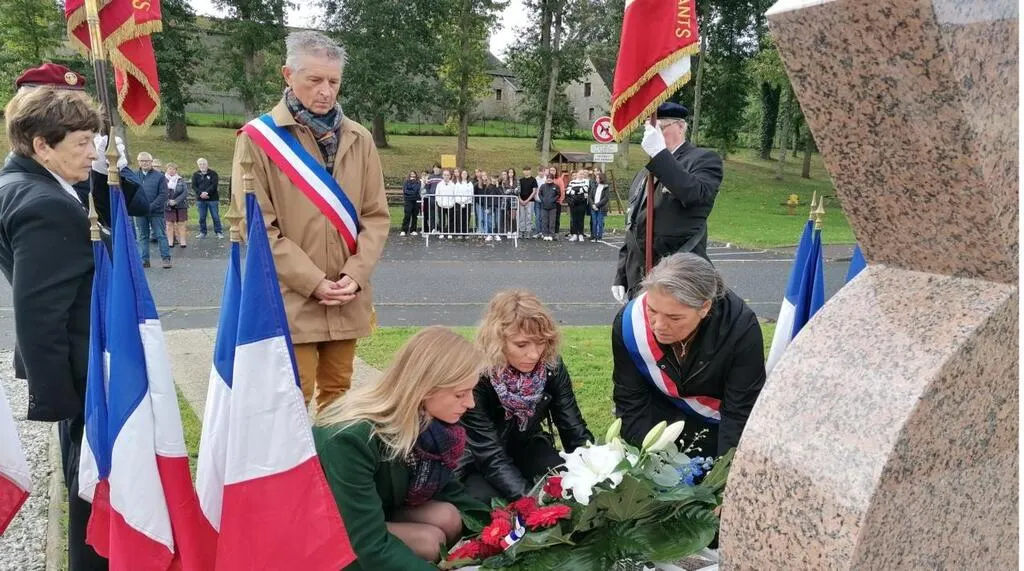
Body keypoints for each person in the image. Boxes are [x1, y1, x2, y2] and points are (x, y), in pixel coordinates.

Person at [232, 31, 390, 412]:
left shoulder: (360, 138)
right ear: (288, 74)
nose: (325, 91)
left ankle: (333, 471)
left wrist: (356, 273)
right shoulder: (258, 139)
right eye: (314, 80)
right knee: (292, 399)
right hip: (290, 298)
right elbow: (255, 226)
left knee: (340, 397)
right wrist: (314, 282)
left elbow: (376, 216)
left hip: (346, 293)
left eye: (333, 81)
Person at [0, 86, 109, 570]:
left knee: (86, 485)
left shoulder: (21, 183)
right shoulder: (47, 203)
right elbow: (37, 313)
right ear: (43, 144)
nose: (93, 151)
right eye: (83, 141)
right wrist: (62, 401)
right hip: (83, 371)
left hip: (76, 364)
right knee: (92, 490)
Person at [314, 326, 489, 569]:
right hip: (329, 534)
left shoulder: (427, 424)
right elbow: (369, 544)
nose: (470, 403)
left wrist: (507, 529)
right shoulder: (350, 438)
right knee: (430, 541)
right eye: (460, 394)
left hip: (377, 513)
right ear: (425, 388)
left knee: (448, 516)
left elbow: (450, 491)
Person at [612, 253, 765, 459]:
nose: (658, 325)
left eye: (674, 317)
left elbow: (740, 412)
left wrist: (722, 475)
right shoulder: (630, 323)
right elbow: (631, 400)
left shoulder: (741, 329)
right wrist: (646, 463)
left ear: (704, 307)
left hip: (715, 431)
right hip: (658, 427)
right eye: (652, 310)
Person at [459, 290, 593, 503]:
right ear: (497, 340)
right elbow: (490, 455)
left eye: (541, 342)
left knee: (564, 482)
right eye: (521, 344)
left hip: (527, 444)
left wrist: (595, 473)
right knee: (492, 504)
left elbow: (572, 428)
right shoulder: (477, 378)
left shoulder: (551, 367)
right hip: (477, 458)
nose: (534, 354)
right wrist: (531, 503)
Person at [5, 62, 144, 229]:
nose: (75, 113)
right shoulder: (29, 183)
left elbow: (138, 206)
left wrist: (103, 175)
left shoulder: (86, 153)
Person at [613, 102, 724, 302]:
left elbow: (695, 195)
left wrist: (660, 155)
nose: (652, 135)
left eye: (660, 128)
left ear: (681, 127)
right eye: (648, 129)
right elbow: (633, 225)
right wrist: (621, 274)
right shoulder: (645, 171)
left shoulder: (703, 160)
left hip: (679, 275)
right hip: (639, 277)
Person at [135, 151, 172, 269]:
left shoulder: (160, 177)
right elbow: (132, 194)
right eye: (142, 161)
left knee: (161, 235)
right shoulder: (134, 176)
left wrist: (150, 207)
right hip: (140, 212)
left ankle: (166, 259)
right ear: (139, 162)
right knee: (143, 236)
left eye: (147, 161)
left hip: (156, 212)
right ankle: (145, 260)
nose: (144, 163)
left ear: (151, 162)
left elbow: (163, 195)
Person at [191, 157, 223, 239]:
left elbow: (214, 185)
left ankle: (219, 232)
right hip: (200, 200)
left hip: (212, 199)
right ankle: (202, 232)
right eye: (200, 164)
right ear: (198, 165)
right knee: (202, 217)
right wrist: (201, 193)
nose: (202, 165)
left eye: (204, 164)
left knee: (215, 216)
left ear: (207, 164)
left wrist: (207, 192)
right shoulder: (195, 175)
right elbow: (194, 186)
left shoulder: (213, 174)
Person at [164, 162, 189, 247]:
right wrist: (168, 201)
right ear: (167, 170)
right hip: (167, 205)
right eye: (169, 169)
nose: (171, 171)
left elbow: (185, 192)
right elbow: (161, 192)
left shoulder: (181, 180)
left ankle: (183, 242)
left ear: (176, 170)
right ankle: (170, 242)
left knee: (181, 223)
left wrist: (176, 201)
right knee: (169, 224)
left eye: (173, 169)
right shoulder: (163, 180)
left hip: (180, 205)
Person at [565, 170, 590, 242]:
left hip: (582, 202)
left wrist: (574, 190)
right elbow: (568, 191)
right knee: (574, 218)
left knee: (581, 218)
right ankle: (575, 234)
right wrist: (578, 191)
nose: (581, 175)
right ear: (577, 175)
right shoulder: (572, 182)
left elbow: (585, 189)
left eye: (582, 174)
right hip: (574, 202)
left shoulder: (586, 181)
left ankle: (581, 234)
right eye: (580, 174)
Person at [537, 172, 560, 241]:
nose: (549, 180)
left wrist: (553, 200)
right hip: (544, 207)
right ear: (546, 179)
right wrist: (542, 200)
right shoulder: (543, 186)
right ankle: (545, 235)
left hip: (553, 207)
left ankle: (551, 235)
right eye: (548, 178)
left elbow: (558, 194)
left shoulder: (556, 186)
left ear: (553, 179)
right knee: (544, 221)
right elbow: (539, 194)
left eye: (551, 178)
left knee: (552, 222)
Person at [434, 169, 456, 239]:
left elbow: (455, 194)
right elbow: (437, 194)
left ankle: (450, 233)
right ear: (442, 176)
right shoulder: (439, 184)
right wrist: (439, 202)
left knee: (450, 219)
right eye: (445, 175)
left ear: (450, 176)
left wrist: (452, 203)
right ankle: (442, 232)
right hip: (441, 205)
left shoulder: (453, 184)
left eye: (447, 175)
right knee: (441, 220)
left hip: (450, 205)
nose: (446, 176)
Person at [589, 171, 610, 242]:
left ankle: (599, 237)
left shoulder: (606, 187)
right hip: (593, 207)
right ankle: (594, 237)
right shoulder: (594, 186)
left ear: (601, 178)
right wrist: (593, 205)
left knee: (600, 222)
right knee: (594, 222)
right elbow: (590, 197)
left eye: (598, 178)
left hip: (601, 207)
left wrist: (597, 205)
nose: (596, 179)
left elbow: (606, 198)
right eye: (596, 178)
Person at [517, 166, 538, 239]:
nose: (526, 172)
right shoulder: (520, 180)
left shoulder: (533, 180)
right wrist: (520, 200)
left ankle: (528, 232)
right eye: (525, 170)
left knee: (529, 217)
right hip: (521, 201)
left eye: (528, 170)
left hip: (530, 201)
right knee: (522, 217)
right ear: (523, 171)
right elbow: (518, 191)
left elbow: (534, 191)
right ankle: (521, 231)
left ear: (530, 171)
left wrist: (527, 200)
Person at [421, 164, 442, 234]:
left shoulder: (442, 177)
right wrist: (429, 193)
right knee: (432, 213)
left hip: (440, 198)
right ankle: (433, 228)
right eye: (435, 168)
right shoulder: (430, 177)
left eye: (437, 168)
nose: (436, 169)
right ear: (433, 169)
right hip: (432, 198)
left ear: (440, 169)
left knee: (439, 213)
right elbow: (427, 187)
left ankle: (439, 228)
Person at [454, 169, 474, 237]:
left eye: (465, 173)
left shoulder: (470, 183)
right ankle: (460, 233)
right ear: (461, 175)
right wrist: (461, 202)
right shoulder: (458, 183)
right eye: (463, 174)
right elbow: (455, 193)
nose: (464, 175)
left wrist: (464, 201)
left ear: (467, 175)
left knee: (466, 218)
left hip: (467, 203)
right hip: (459, 203)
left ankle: (466, 233)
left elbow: (471, 194)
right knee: (459, 218)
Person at [400, 171, 421, 236]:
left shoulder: (418, 182)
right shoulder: (406, 182)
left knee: (415, 216)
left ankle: (413, 230)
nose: (412, 176)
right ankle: (404, 230)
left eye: (414, 174)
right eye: (411, 174)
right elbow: (405, 191)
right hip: (408, 200)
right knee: (407, 215)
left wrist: (410, 191)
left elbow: (416, 190)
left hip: (416, 200)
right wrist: (410, 192)